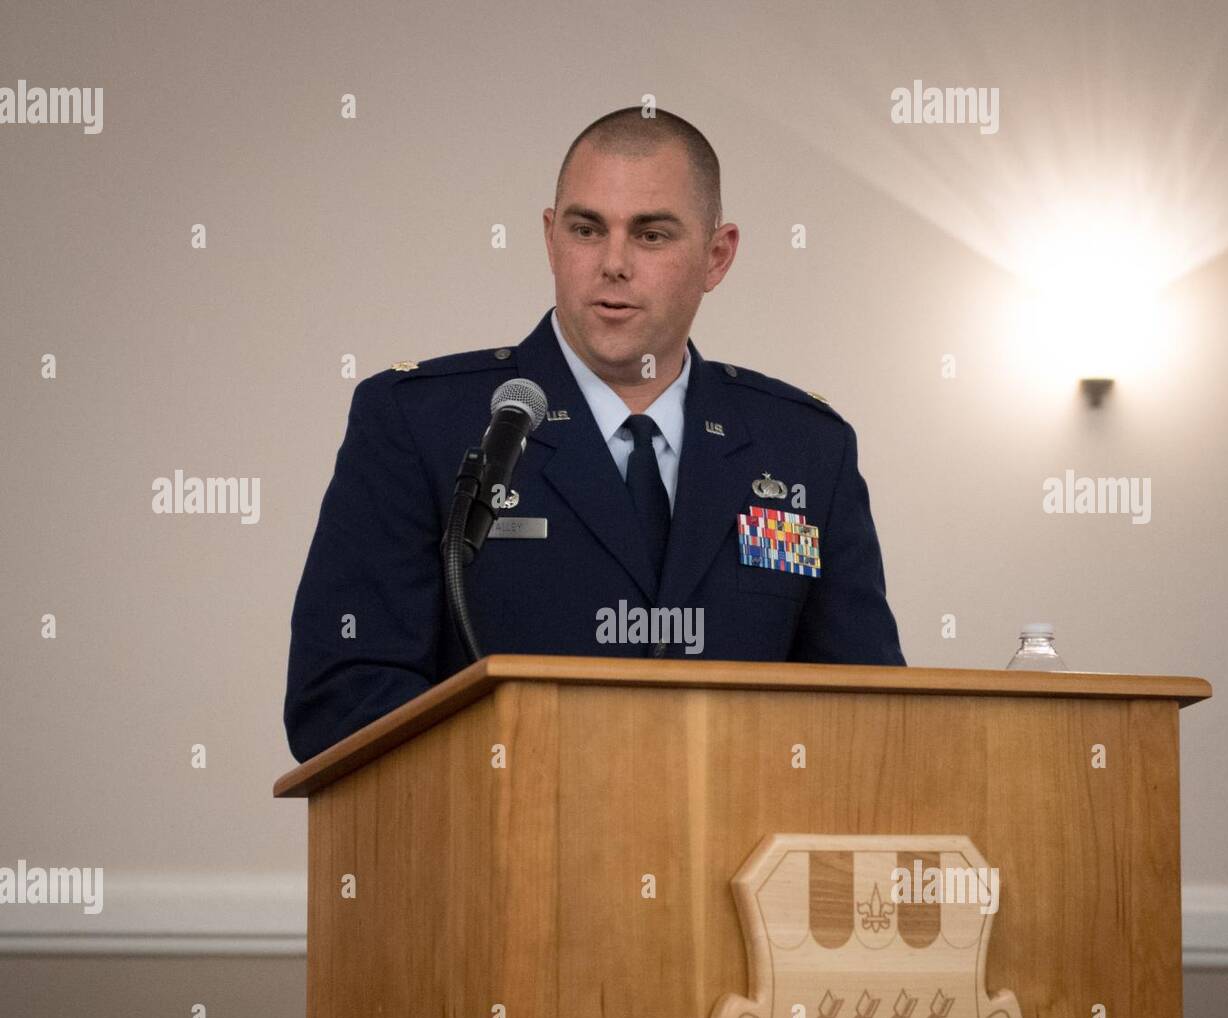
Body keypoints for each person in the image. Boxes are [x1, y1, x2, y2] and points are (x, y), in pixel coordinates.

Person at [284, 107, 905, 763]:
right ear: (552, 239)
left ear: (716, 256)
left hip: (738, 857)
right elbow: (342, 699)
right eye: (587, 229)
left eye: (652, 235)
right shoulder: (420, 422)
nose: (613, 263)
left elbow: (866, 712)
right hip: (503, 850)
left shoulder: (803, 447)